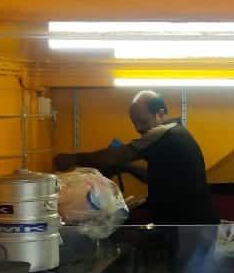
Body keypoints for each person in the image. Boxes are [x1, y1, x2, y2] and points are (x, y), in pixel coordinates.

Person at [55, 90, 216, 228]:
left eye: (143, 121)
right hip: (193, 223)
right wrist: (127, 168)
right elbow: (155, 176)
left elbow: (113, 156)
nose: (138, 128)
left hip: (188, 226)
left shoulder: (163, 133)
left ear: (160, 113)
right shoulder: (177, 134)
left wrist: (72, 158)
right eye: (134, 123)